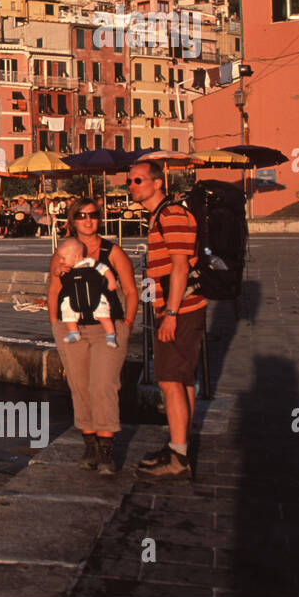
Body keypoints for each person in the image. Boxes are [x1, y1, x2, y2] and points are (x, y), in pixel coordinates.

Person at [47, 199, 139, 475]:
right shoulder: (63, 251)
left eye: (94, 215)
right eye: (82, 216)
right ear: (73, 221)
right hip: (72, 328)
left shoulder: (112, 251)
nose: (88, 220)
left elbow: (131, 290)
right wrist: (55, 324)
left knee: (104, 385)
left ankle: (107, 448)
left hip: (107, 329)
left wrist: (128, 322)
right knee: (79, 385)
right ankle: (90, 445)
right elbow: (53, 289)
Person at [132, 160, 207, 480]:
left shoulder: (171, 215)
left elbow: (180, 266)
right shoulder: (160, 215)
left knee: (168, 380)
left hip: (181, 309)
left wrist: (170, 315)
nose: (131, 186)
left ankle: (178, 456)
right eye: (130, 181)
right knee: (183, 379)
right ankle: (181, 446)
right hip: (185, 306)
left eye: (138, 180)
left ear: (157, 183)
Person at [52, 238, 120, 348]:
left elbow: (105, 269)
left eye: (63, 258)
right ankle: (74, 332)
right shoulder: (67, 268)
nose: (60, 261)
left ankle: (110, 335)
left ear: (75, 257)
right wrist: (58, 270)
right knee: (67, 310)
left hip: (94, 295)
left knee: (103, 314)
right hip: (75, 296)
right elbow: (56, 273)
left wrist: (111, 281)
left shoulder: (90, 262)